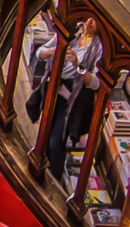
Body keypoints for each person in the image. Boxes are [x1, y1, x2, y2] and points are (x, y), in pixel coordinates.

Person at [36, 17, 103, 181]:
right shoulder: (73, 32)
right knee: (44, 135)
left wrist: (78, 66)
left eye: (95, 20)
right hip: (54, 91)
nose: (89, 21)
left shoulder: (99, 48)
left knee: (56, 144)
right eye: (88, 17)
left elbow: (96, 84)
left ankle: (55, 179)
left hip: (72, 102)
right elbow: (40, 53)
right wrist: (52, 51)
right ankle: (41, 171)